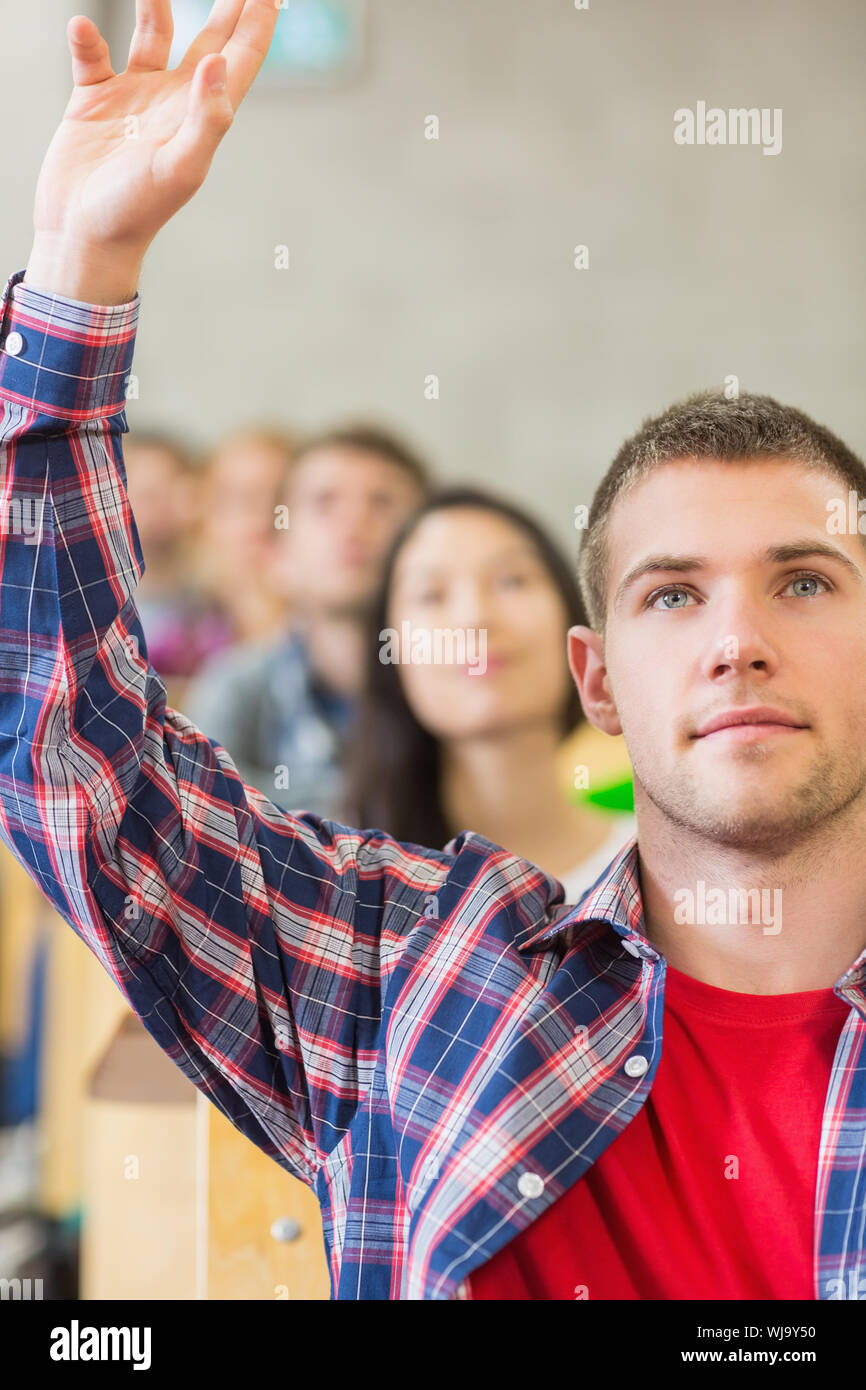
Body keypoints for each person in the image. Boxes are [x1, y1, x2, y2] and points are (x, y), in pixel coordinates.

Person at [0, 0, 864, 1303]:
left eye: (802, 581)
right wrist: (77, 268)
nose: (738, 641)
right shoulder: (411, 969)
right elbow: (78, 757)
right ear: (597, 682)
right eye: (672, 597)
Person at [348, 487, 635, 898]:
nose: (474, 617)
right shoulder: (344, 890)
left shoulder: (666, 874)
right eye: (431, 595)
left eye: (511, 581)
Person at [185, 424, 430, 814]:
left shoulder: (458, 687)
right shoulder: (234, 693)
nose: (354, 522)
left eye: (383, 502)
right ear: (278, 555)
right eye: (323, 502)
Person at [123, 429, 235, 703]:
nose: (163, 505)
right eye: (149, 493)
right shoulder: (85, 603)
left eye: (172, 489)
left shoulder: (222, 592)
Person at [192, 424, 298, 645]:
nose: (262, 520)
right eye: (240, 499)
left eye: (281, 499)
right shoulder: (175, 645)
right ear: (205, 518)